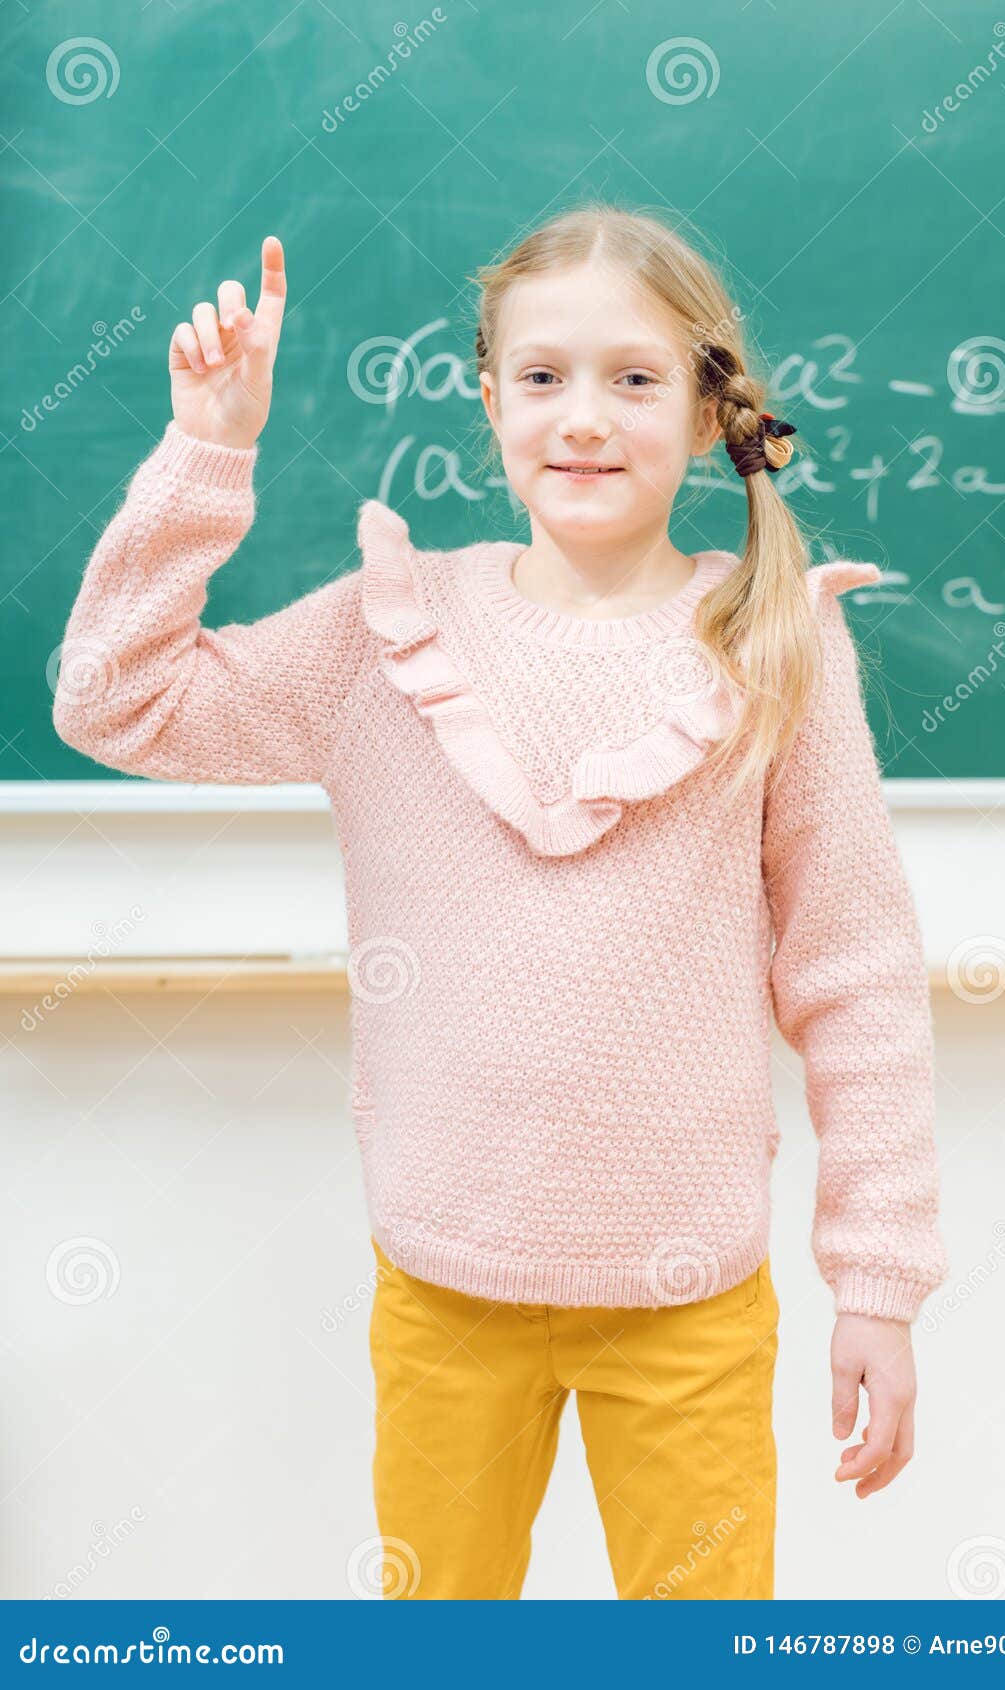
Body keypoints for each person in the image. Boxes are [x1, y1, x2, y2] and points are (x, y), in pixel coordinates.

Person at [52, 205, 950, 1601]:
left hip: (689, 1302)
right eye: (542, 377)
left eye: (635, 379)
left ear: (710, 406)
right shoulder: (384, 631)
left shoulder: (776, 645)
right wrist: (207, 449)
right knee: (439, 1640)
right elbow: (115, 699)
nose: (583, 418)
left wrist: (878, 1286)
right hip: (446, 1291)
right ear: (486, 395)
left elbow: (858, 970)